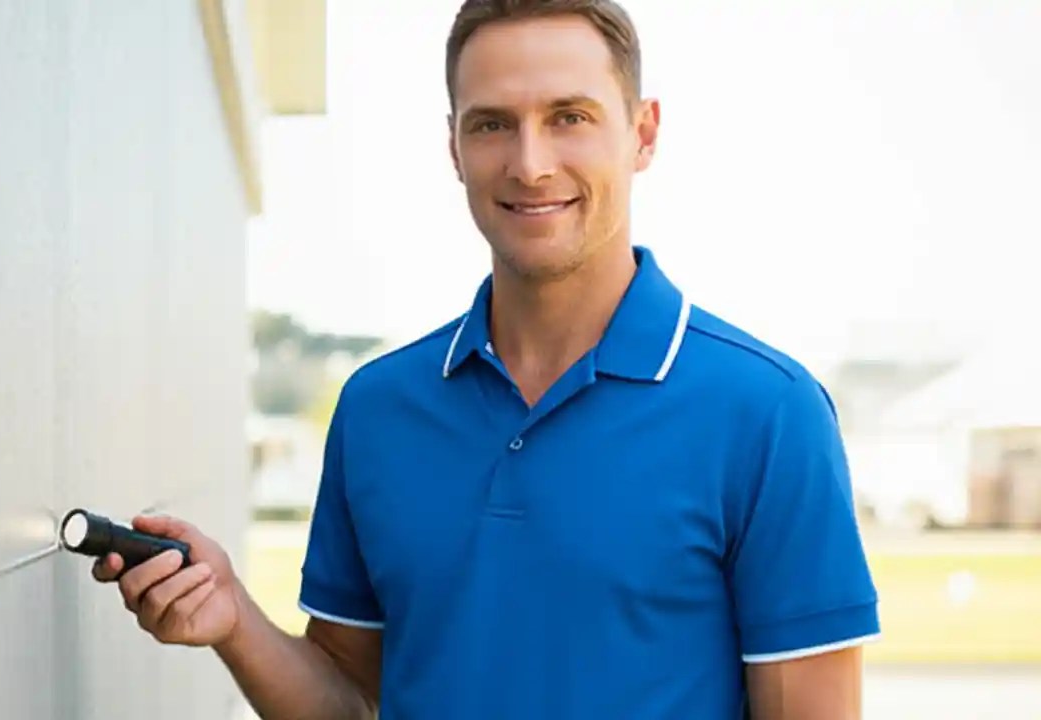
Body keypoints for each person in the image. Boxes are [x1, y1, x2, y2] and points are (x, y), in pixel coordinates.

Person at [92, 1, 881, 717]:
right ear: (454, 146)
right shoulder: (378, 410)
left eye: (569, 117)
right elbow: (347, 701)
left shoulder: (768, 412)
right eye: (492, 123)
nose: (530, 163)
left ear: (643, 134)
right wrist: (232, 617)